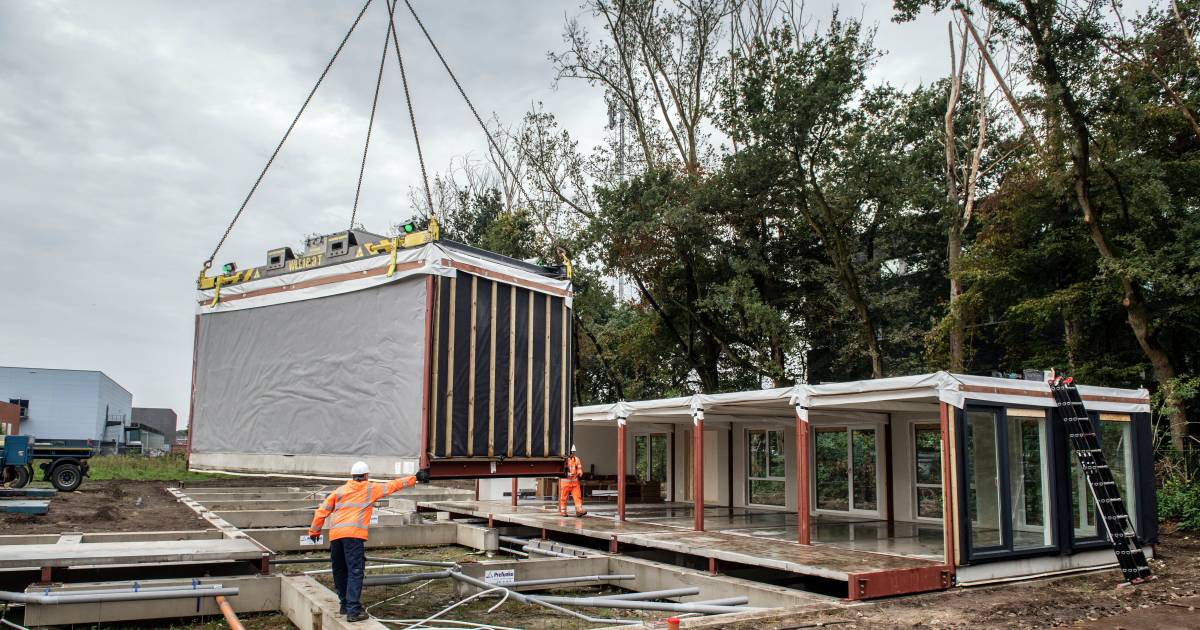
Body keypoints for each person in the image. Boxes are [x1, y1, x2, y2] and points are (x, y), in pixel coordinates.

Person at [307, 462, 423, 621]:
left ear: (352, 476)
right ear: (367, 475)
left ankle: (344, 605)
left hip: (336, 536)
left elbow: (322, 511)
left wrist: (314, 531)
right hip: (353, 536)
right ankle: (353, 611)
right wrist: (415, 478)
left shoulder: (339, 491)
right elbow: (393, 485)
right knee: (355, 571)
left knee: (340, 571)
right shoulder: (370, 488)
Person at [558, 445, 586, 517]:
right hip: (565, 482)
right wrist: (567, 474)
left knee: (578, 497)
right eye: (571, 452)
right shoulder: (563, 460)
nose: (573, 454)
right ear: (568, 452)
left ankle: (579, 511)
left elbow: (579, 468)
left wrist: (580, 472)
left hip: (575, 482)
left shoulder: (577, 459)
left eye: (573, 452)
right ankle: (563, 511)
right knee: (563, 498)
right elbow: (560, 471)